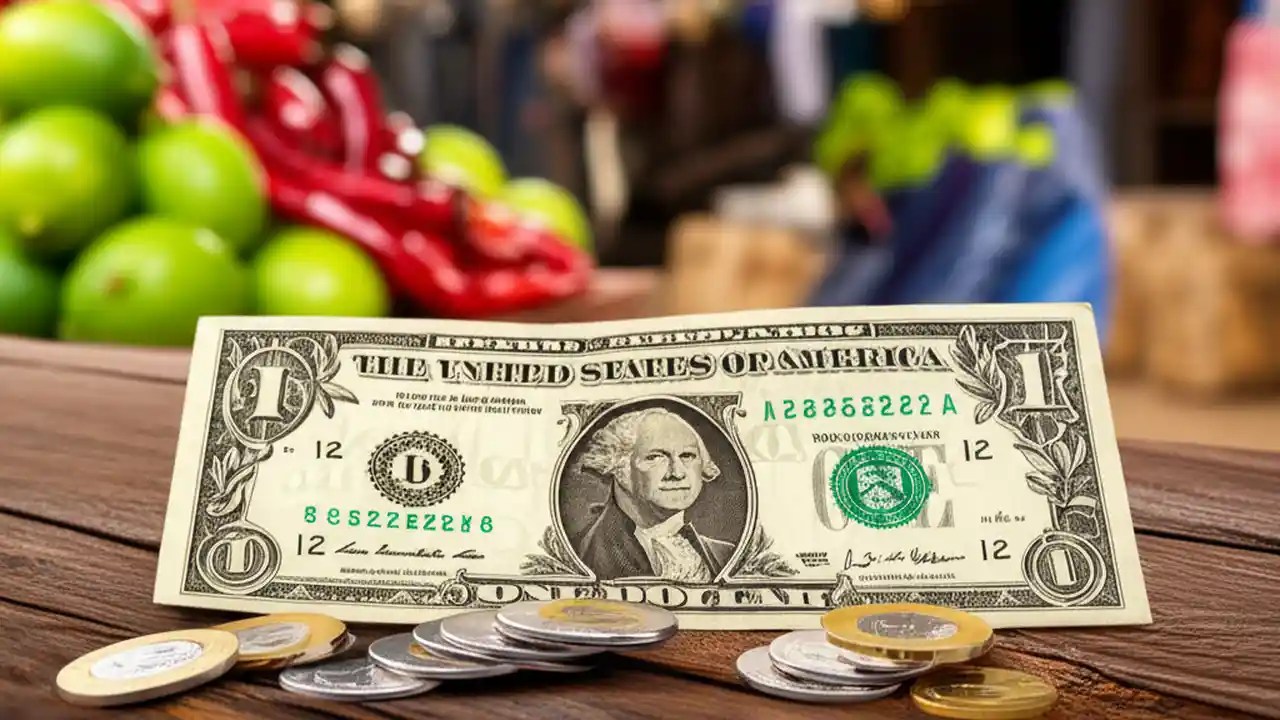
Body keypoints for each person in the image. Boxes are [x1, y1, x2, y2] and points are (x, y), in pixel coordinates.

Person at [571, 407, 735, 582]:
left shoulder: (725, 555)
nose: (677, 473)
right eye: (656, 457)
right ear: (619, 467)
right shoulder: (581, 554)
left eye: (687, 455)